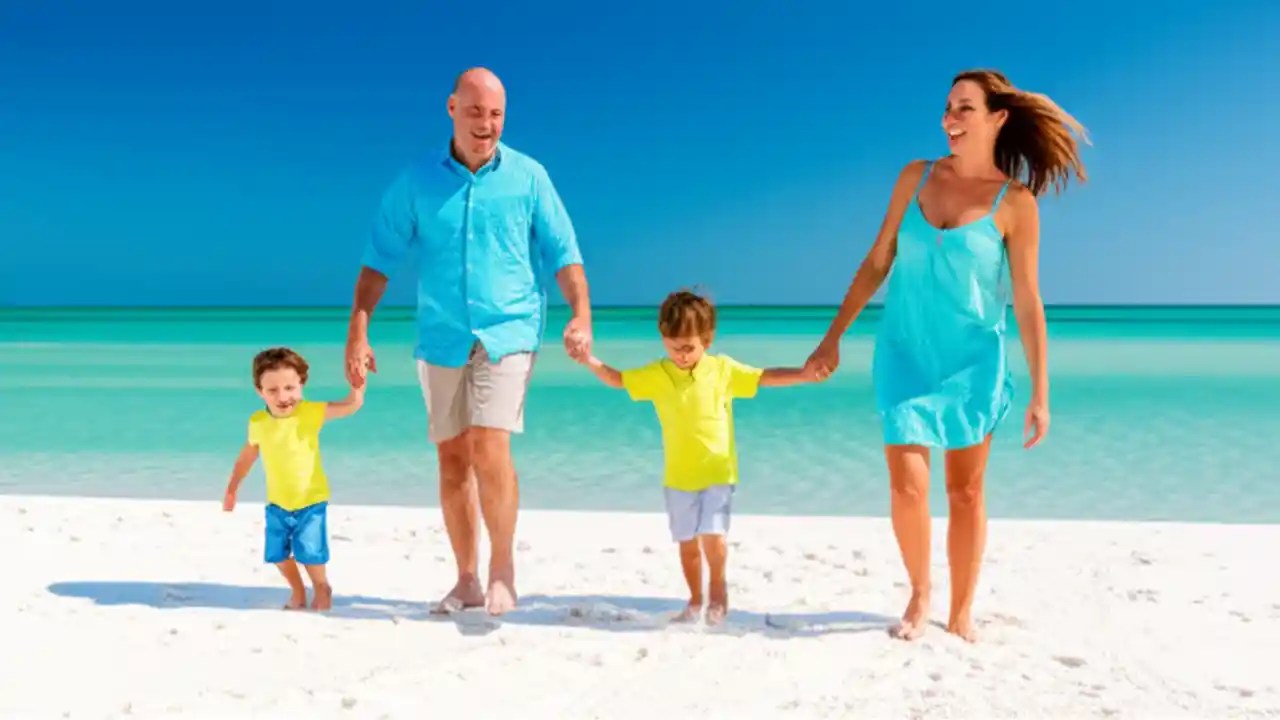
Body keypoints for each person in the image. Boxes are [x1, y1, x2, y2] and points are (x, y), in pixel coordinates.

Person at [806, 69, 1087, 642]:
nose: (949, 119)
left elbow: (1029, 303)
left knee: (965, 490)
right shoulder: (915, 177)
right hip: (905, 351)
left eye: (964, 108)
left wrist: (1041, 393)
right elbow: (878, 260)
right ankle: (920, 591)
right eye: (947, 108)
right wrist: (833, 335)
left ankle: (961, 609)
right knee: (907, 484)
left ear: (996, 118)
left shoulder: (1016, 203)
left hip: (972, 361)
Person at [344, 67, 592, 617]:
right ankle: (466, 579)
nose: (487, 124)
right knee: (452, 458)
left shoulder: (529, 177)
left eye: (497, 114)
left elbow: (564, 251)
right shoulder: (415, 182)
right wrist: (358, 331)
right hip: (441, 336)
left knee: (489, 444)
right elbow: (378, 259)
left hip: (509, 331)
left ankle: (503, 570)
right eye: (476, 111)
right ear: (452, 108)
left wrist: (581, 315)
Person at [579, 290, 821, 625]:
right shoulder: (657, 375)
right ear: (663, 339)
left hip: (719, 471)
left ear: (706, 340)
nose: (680, 354)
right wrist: (589, 360)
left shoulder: (722, 370)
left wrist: (804, 374)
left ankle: (718, 589)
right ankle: (694, 599)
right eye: (673, 346)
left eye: (688, 347)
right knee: (687, 545)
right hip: (678, 477)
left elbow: (764, 377)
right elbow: (618, 379)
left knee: (714, 537)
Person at [223, 347, 365, 611]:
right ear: (259, 391)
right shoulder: (257, 422)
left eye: (290, 388)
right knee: (276, 554)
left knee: (310, 552)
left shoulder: (309, 413)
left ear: (302, 384)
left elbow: (350, 406)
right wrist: (232, 488)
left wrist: (357, 387)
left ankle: (321, 586)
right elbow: (247, 457)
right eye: (273, 390)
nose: (283, 397)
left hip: (311, 500)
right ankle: (298, 590)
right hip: (277, 502)